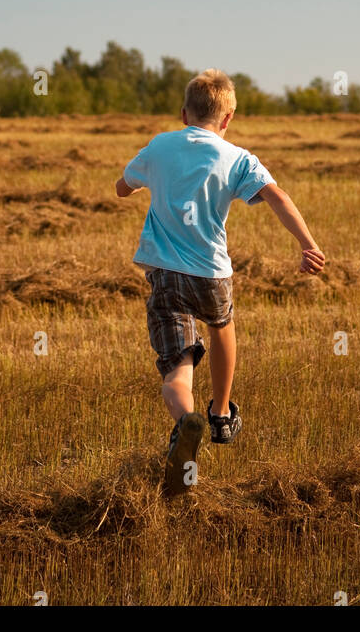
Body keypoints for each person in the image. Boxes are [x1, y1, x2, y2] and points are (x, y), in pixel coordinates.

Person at [115, 68, 325, 494]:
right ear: (227, 119)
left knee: (177, 368)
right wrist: (307, 244)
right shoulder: (237, 157)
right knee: (222, 325)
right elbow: (277, 197)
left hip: (165, 272)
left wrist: (141, 184)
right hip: (212, 272)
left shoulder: (160, 145)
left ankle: (185, 420)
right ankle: (221, 413)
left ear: (183, 113)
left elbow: (122, 187)